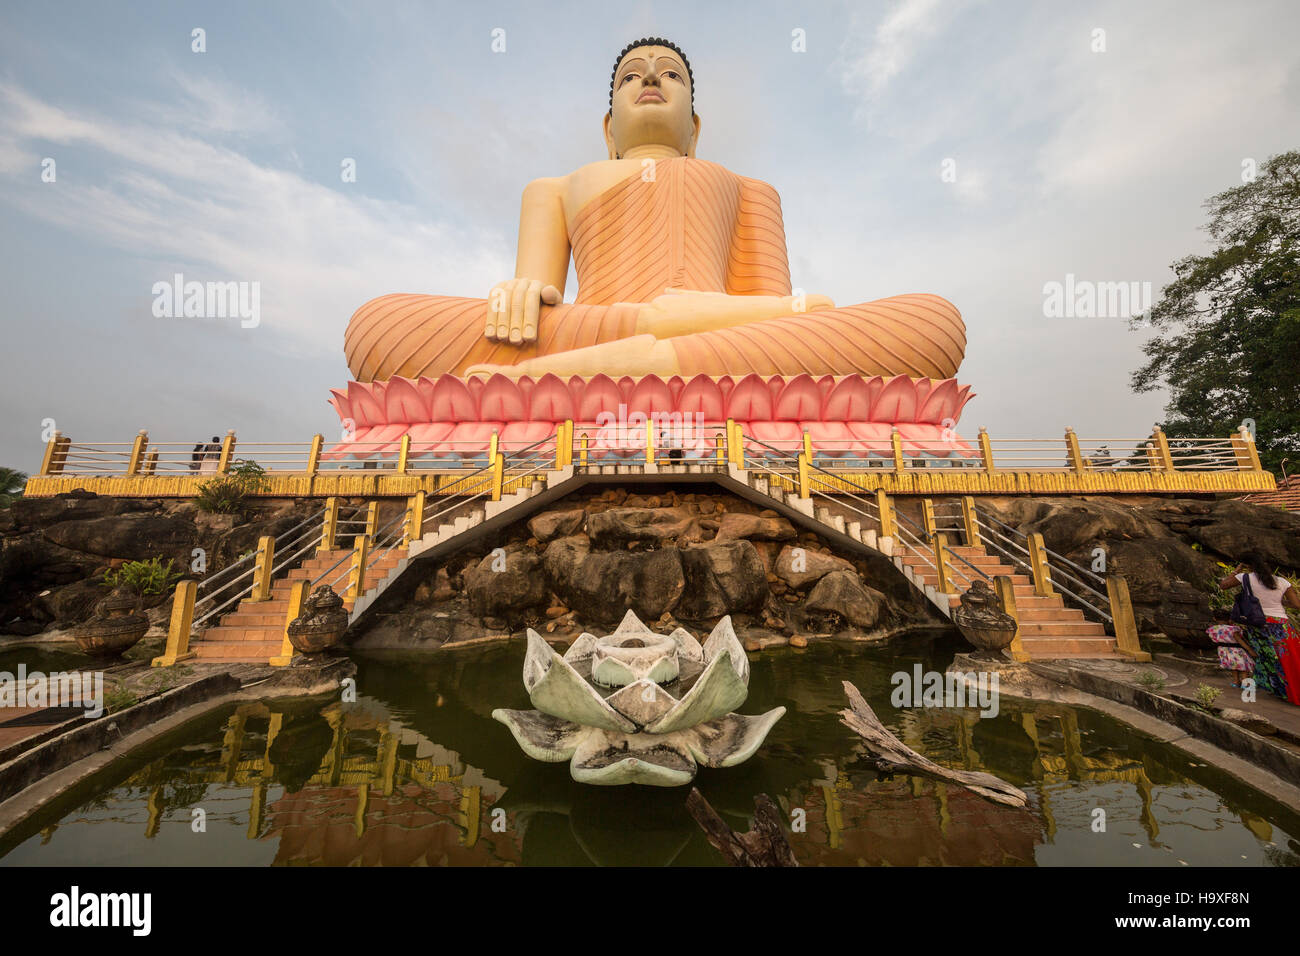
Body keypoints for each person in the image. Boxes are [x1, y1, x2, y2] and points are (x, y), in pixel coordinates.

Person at [1219, 552, 1300, 704]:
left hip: (1259, 624)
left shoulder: (1245, 577)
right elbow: (1297, 605)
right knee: (1290, 659)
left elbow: (1223, 585)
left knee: (1268, 659)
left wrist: (1238, 570)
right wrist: (1278, 602)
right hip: (1282, 624)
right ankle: (1291, 692)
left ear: (1248, 565)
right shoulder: (1282, 581)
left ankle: (1280, 690)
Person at [1205, 608, 1254, 688]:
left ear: (1214, 618)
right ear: (1229, 618)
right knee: (1243, 667)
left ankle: (1236, 681)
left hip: (1223, 650)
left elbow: (1214, 639)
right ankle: (1246, 683)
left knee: (1233, 666)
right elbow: (1239, 640)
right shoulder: (1233, 629)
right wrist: (1249, 649)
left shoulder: (1213, 629)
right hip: (1236, 650)